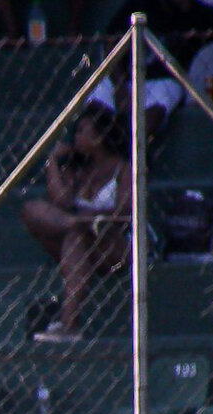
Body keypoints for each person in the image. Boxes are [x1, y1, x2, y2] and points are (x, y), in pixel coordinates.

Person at [20, 105, 131, 343]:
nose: (75, 137)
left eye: (82, 131)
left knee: (75, 235)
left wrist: (92, 217)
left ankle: (69, 325)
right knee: (33, 209)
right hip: (79, 242)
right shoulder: (77, 169)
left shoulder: (124, 169)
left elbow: (125, 213)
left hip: (114, 246)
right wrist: (52, 162)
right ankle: (75, 223)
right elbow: (61, 201)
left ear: (99, 137)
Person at [92, 0, 213, 134]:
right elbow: (110, 44)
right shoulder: (139, 5)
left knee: (157, 108)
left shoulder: (201, 14)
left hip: (164, 80)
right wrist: (120, 87)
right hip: (123, 78)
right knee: (93, 108)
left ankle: (126, 151)